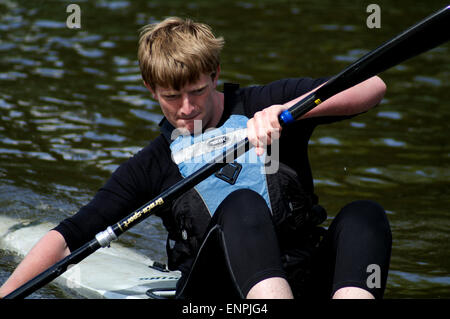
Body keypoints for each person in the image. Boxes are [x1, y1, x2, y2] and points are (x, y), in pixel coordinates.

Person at [0, 17, 391, 299]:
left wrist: (291, 110)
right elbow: (68, 236)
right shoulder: (153, 165)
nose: (187, 108)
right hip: (217, 301)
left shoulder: (264, 103)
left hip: (306, 275)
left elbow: (374, 86)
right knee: (243, 204)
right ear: (150, 89)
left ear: (215, 74)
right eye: (171, 96)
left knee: (364, 214)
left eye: (197, 91)